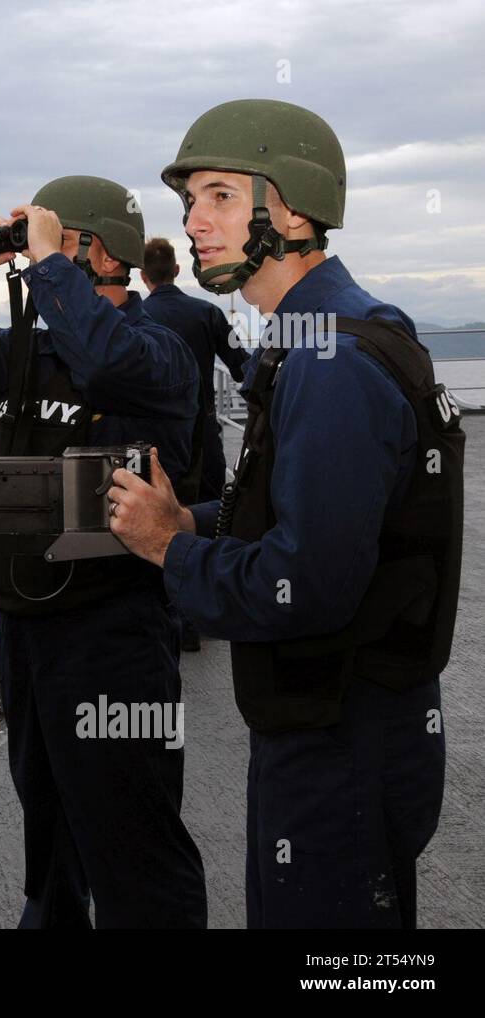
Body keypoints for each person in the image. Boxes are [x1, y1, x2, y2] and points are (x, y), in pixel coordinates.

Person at [105, 99, 463, 928]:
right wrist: (195, 521)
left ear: (291, 210)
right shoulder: (330, 332)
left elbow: (310, 583)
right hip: (344, 716)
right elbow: (308, 515)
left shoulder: (330, 363)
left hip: (341, 735)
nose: (194, 221)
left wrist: (169, 551)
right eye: (189, 200)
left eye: (221, 196)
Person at [0, 175, 207, 928]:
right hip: (28, 632)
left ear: (92, 251)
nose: (32, 257)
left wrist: (50, 268)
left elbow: (103, 362)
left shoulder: (158, 355)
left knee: (134, 842)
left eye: (51, 239)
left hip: (114, 634)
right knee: (51, 825)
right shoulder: (26, 357)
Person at [141, 237, 250, 652]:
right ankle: (201, 612)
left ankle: (170, 621)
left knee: (157, 524)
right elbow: (245, 369)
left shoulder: (137, 318)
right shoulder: (207, 313)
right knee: (203, 520)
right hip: (203, 437)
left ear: (143, 276)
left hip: (155, 442)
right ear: (177, 271)